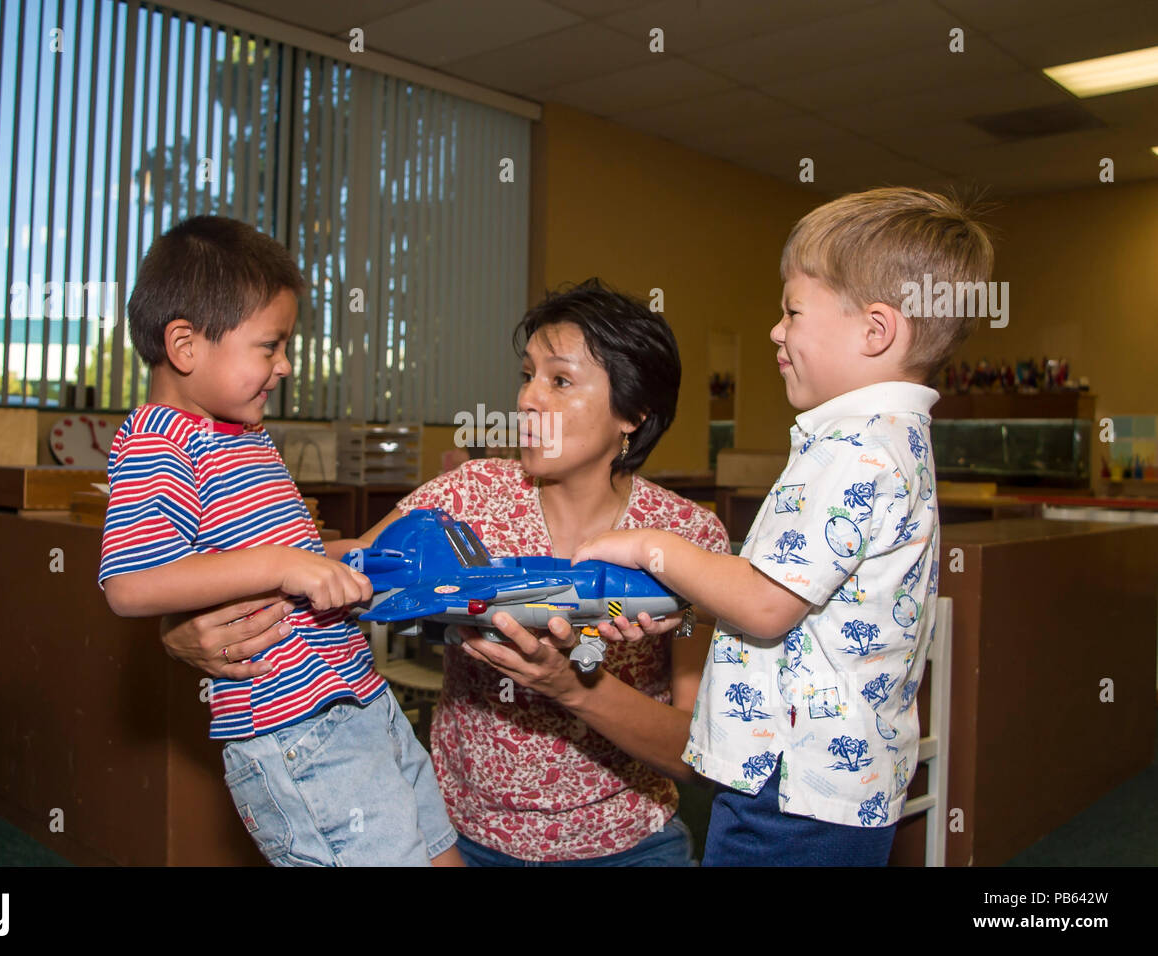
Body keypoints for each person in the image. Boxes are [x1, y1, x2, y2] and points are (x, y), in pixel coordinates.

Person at [162, 278, 731, 865]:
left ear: (634, 412)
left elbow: (696, 755)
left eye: (559, 380)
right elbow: (342, 565)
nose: (528, 399)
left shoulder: (688, 541)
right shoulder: (470, 494)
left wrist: (570, 687)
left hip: (629, 845)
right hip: (459, 840)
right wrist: (184, 624)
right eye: (526, 375)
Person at [572, 187, 993, 866]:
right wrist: (688, 608)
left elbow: (767, 607)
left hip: (793, 791)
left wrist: (655, 548)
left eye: (792, 310)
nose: (776, 329)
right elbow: (808, 612)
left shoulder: (851, 447)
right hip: (837, 786)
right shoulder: (893, 439)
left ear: (875, 331)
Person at [97, 215, 461, 867]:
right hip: (299, 731)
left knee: (439, 851)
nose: (287, 365)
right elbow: (129, 585)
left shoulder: (244, 437)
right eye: (271, 345)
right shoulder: (160, 441)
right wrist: (285, 565)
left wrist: (368, 548)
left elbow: (299, 558)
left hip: (361, 697)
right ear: (184, 346)